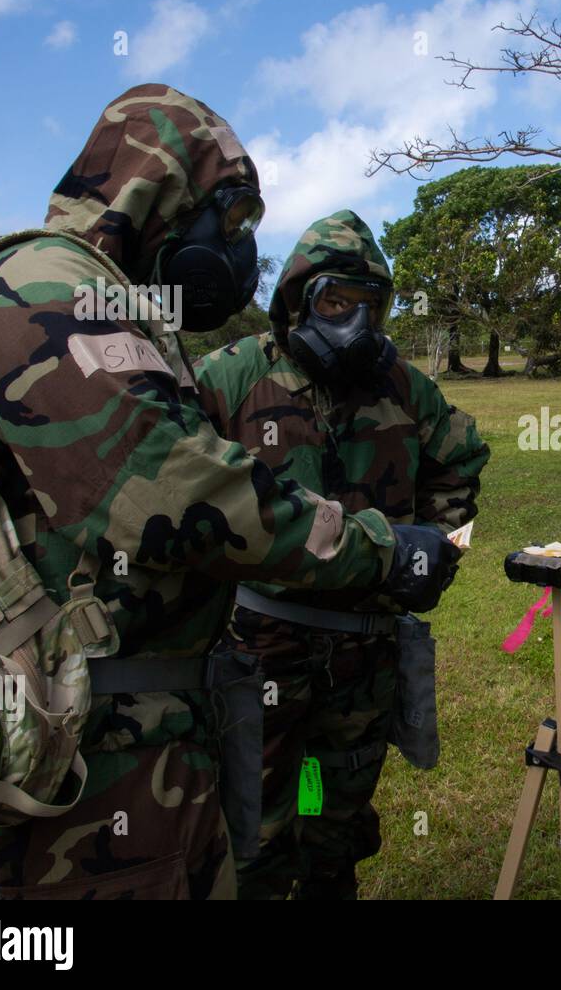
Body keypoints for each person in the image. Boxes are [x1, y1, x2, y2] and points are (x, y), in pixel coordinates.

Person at [0, 85, 458, 899]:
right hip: (97, 749)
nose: (238, 248)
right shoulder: (40, 287)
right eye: (232, 215)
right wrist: (378, 550)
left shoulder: (110, 305)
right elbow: (176, 497)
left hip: (151, 728)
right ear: (161, 187)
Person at [194, 210, 490, 899]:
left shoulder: (405, 386)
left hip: (364, 651)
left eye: (369, 306)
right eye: (334, 302)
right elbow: (182, 492)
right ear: (297, 298)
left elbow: (460, 464)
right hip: (254, 646)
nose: (353, 322)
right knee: (253, 825)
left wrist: (435, 553)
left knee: (335, 819)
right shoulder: (229, 379)